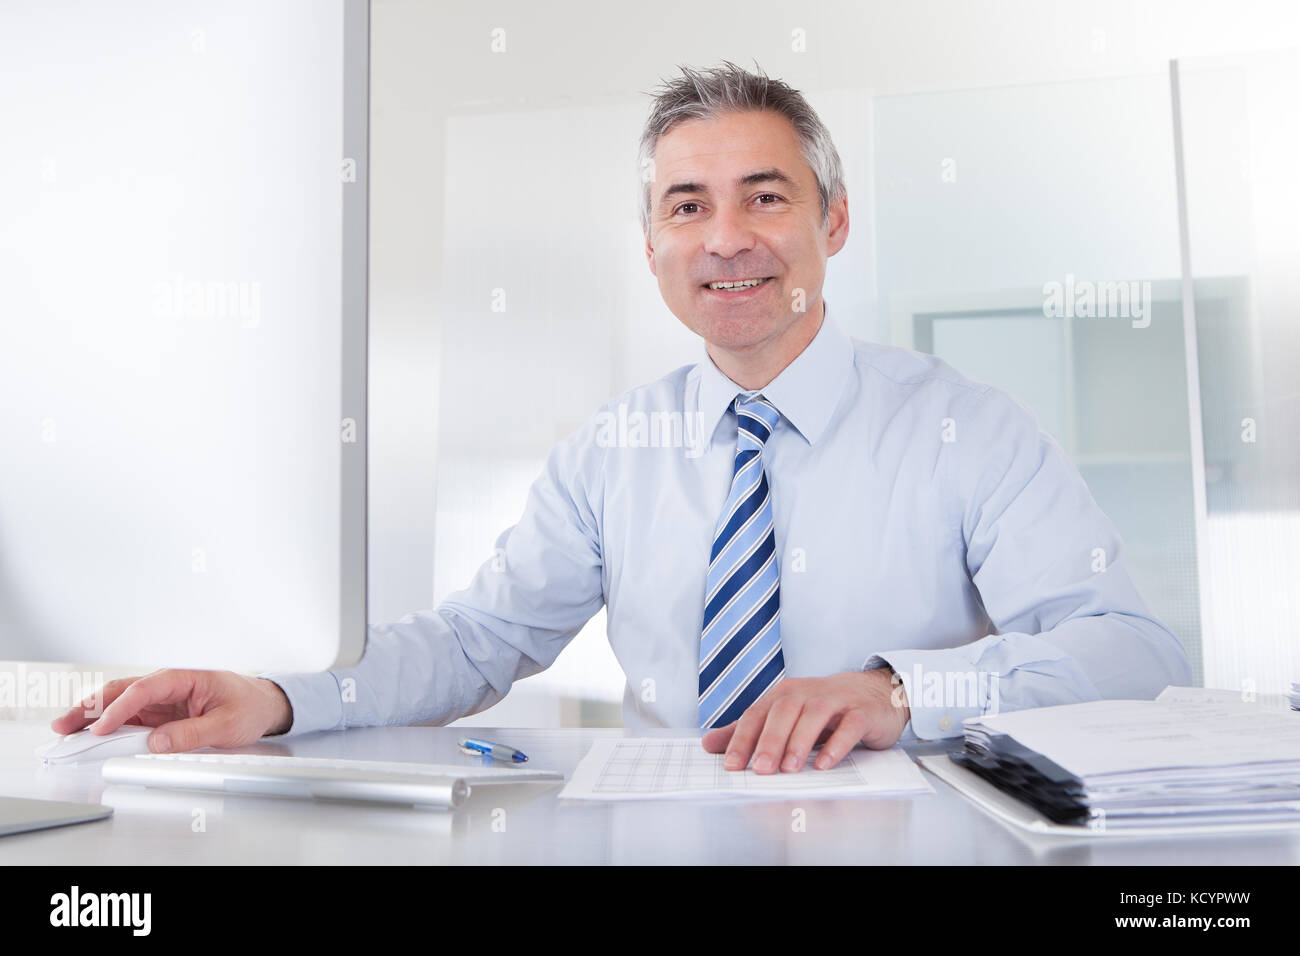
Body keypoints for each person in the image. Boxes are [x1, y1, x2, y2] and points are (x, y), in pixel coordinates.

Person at [53, 61, 1191, 775]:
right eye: (686, 206)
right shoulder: (611, 450)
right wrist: (281, 691)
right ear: (651, 244)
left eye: (765, 196)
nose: (725, 237)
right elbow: (472, 643)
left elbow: (1130, 651)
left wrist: (903, 688)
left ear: (832, 222)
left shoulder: (967, 429)